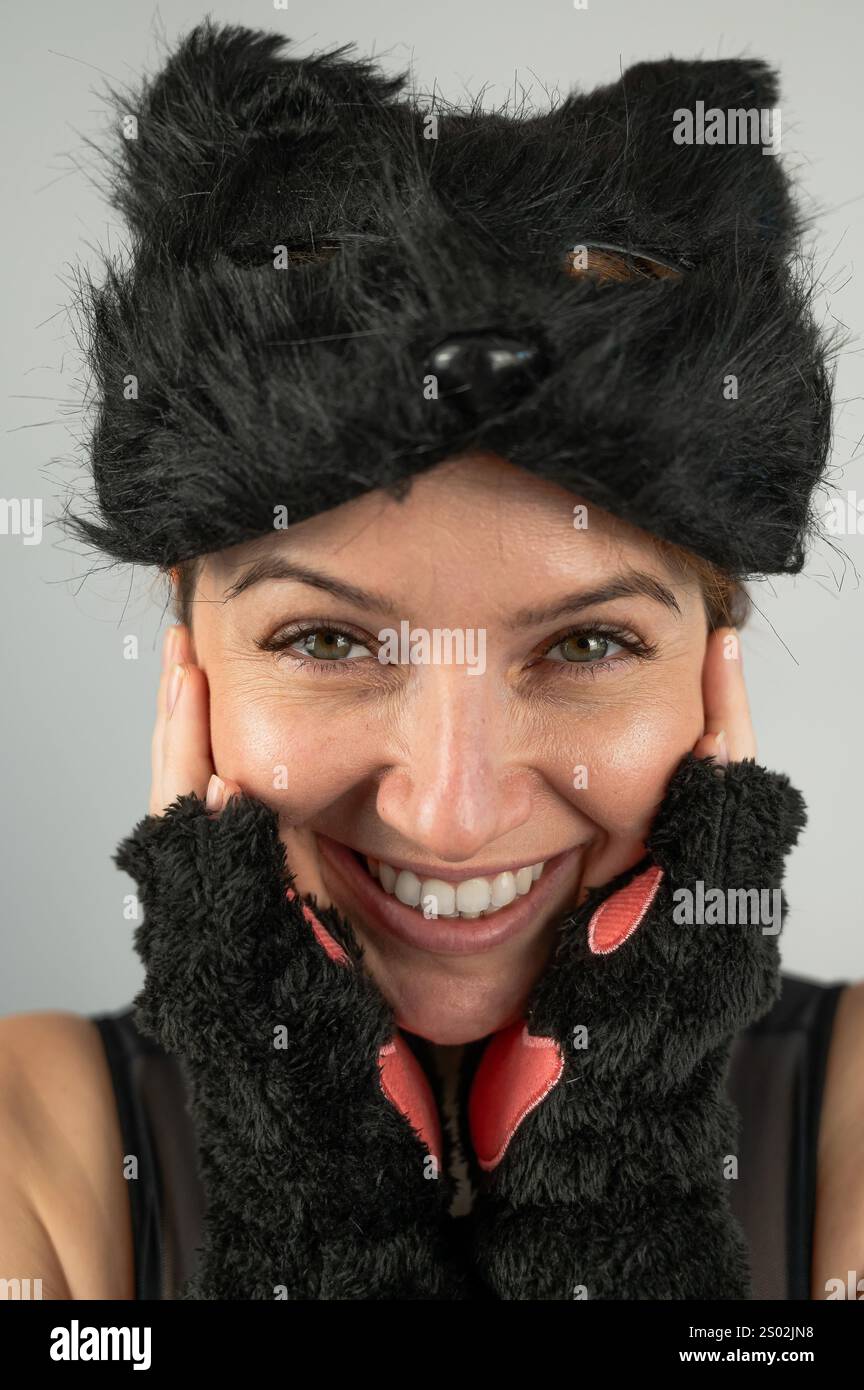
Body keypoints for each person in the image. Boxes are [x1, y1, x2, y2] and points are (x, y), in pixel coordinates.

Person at [1, 21, 861, 1300]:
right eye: (328, 640)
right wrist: (314, 1200)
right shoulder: (28, 1150)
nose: (454, 813)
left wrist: (623, 1207)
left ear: (710, 663)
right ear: (192, 659)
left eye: (586, 643)